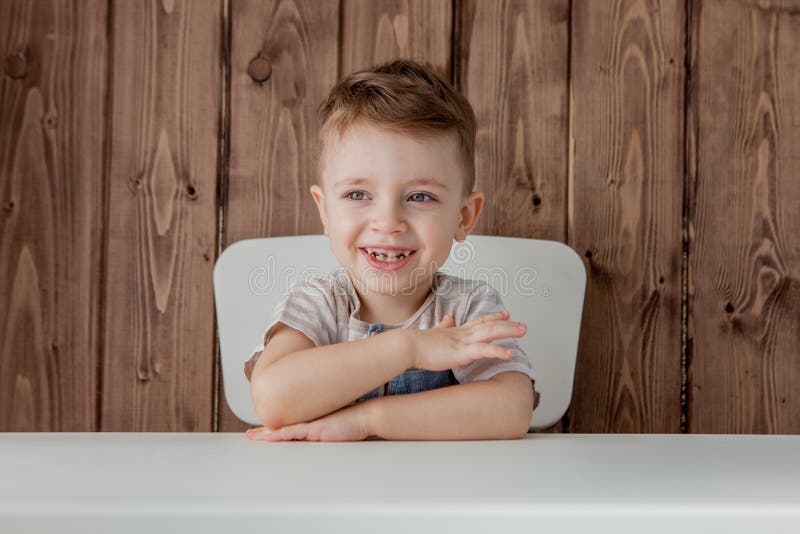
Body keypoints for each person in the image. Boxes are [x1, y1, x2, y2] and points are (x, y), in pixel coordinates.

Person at [244, 59, 539, 442]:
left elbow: (511, 411)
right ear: (325, 211)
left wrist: (368, 420)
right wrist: (408, 348)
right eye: (357, 194)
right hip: (324, 493)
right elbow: (273, 400)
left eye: (419, 196)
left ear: (464, 217)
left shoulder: (466, 308)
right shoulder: (318, 305)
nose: (387, 221)